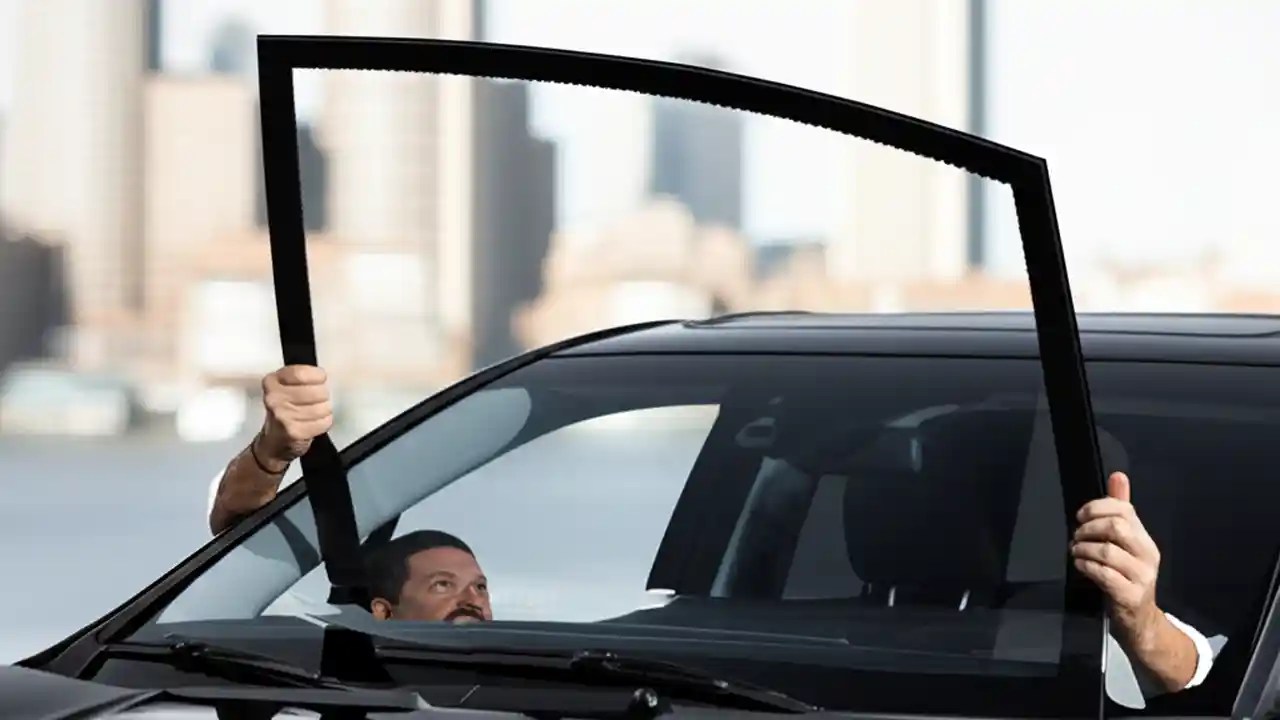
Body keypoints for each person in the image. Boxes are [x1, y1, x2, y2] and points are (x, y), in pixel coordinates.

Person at [207, 364, 1218, 699]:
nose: (474, 601)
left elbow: (1191, 682)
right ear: (380, 613)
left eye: (474, 585)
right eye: (442, 590)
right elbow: (238, 570)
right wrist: (271, 451)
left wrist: (1137, 621)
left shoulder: (1064, 662)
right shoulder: (651, 649)